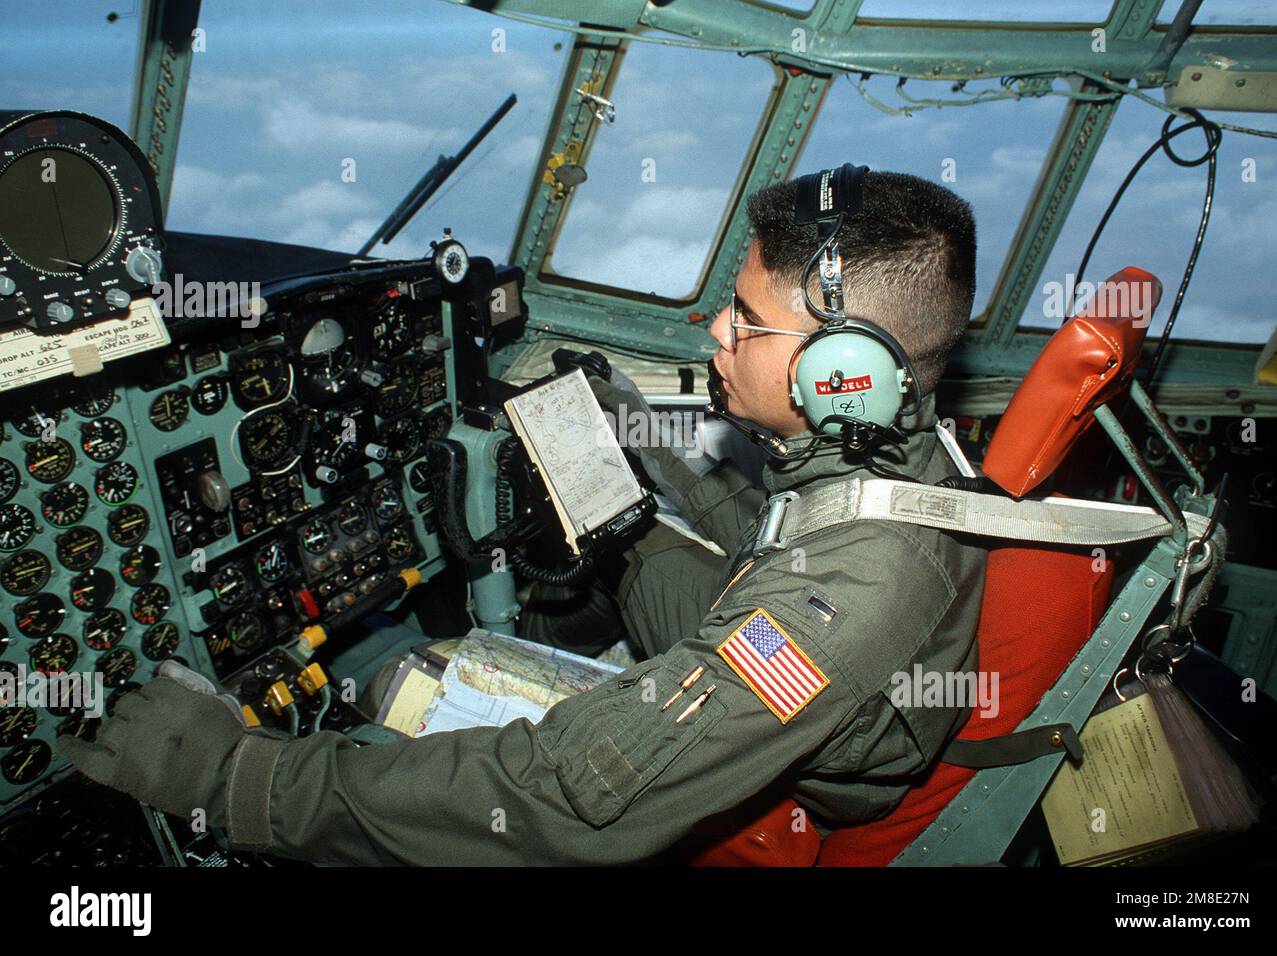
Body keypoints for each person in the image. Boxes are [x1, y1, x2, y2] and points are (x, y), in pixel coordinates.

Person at [60, 170, 986, 865]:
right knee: (626, 536)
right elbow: (780, 529)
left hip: (820, 761)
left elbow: (570, 796)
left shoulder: (846, 599)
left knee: (497, 724)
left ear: (846, 375)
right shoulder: (896, 447)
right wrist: (637, 433)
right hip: (805, 647)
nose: (715, 332)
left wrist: (233, 779)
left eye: (745, 320)